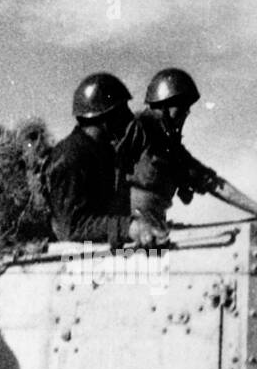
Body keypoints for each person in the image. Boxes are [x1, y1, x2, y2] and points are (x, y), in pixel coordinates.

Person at [123, 67, 257, 225]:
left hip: (149, 231)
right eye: (181, 109)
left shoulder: (173, 151)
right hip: (119, 236)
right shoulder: (135, 129)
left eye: (187, 110)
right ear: (164, 105)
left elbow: (213, 183)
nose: (185, 115)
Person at [45, 72, 169, 246]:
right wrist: (129, 228)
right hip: (70, 260)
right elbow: (70, 227)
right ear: (105, 118)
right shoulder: (70, 157)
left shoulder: (102, 152)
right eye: (122, 110)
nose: (129, 117)